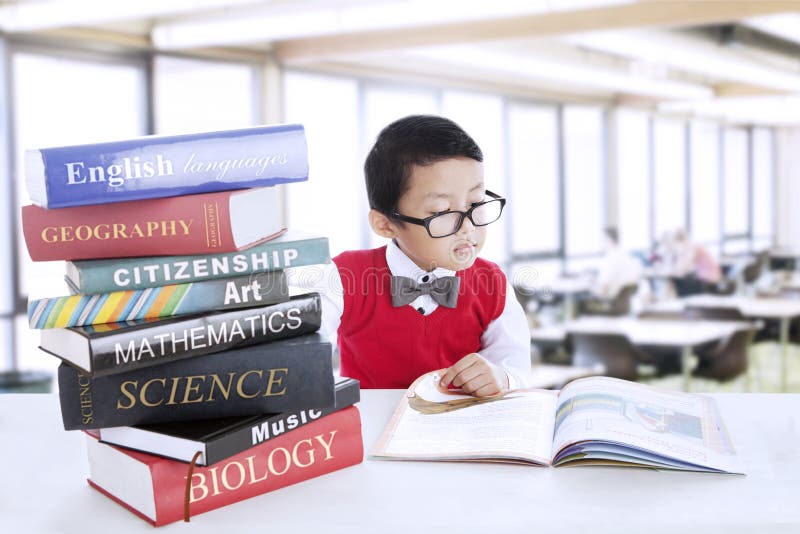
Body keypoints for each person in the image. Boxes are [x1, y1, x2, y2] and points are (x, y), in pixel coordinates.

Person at [305, 115, 532, 397]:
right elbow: (302, 351)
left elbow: (517, 369)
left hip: (462, 433)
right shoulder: (346, 276)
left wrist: (501, 377)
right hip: (372, 435)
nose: (467, 226)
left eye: (475, 203)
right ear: (385, 224)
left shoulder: (493, 283)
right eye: (441, 212)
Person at [591, 227, 643, 300]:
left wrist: (592, 288)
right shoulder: (629, 257)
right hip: (627, 304)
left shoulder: (609, 260)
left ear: (608, 240)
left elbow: (604, 289)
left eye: (602, 239)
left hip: (610, 304)